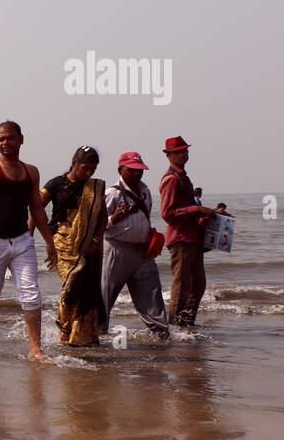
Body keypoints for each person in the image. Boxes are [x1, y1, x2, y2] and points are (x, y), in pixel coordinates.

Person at [0, 121, 57, 361]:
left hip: (22, 241)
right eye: (1, 139)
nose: (5, 143)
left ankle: (36, 349)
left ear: (21, 139)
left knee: (31, 294)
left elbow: (37, 209)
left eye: (10, 138)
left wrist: (49, 241)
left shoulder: (31, 172)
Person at [39, 146, 107, 346]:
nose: (89, 173)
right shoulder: (56, 184)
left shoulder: (95, 188)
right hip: (61, 243)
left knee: (86, 289)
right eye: (85, 168)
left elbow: (103, 218)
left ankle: (79, 336)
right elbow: (36, 209)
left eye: (93, 169)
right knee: (72, 281)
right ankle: (64, 323)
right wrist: (32, 238)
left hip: (88, 246)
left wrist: (95, 240)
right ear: (74, 163)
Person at [101, 151, 169, 339]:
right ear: (120, 169)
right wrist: (114, 218)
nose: (137, 174)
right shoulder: (111, 193)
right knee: (105, 294)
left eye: (140, 170)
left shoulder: (145, 191)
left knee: (152, 293)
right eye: (132, 170)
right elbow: (98, 225)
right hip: (117, 249)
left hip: (143, 250)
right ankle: (96, 333)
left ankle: (161, 333)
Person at [160, 136, 216, 328]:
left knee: (198, 286)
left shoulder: (183, 177)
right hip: (181, 240)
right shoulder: (171, 179)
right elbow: (167, 213)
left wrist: (201, 217)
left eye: (185, 151)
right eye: (179, 152)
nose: (184, 155)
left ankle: (186, 325)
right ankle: (175, 327)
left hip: (193, 238)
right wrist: (198, 210)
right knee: (182, 287)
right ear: (169, 155)